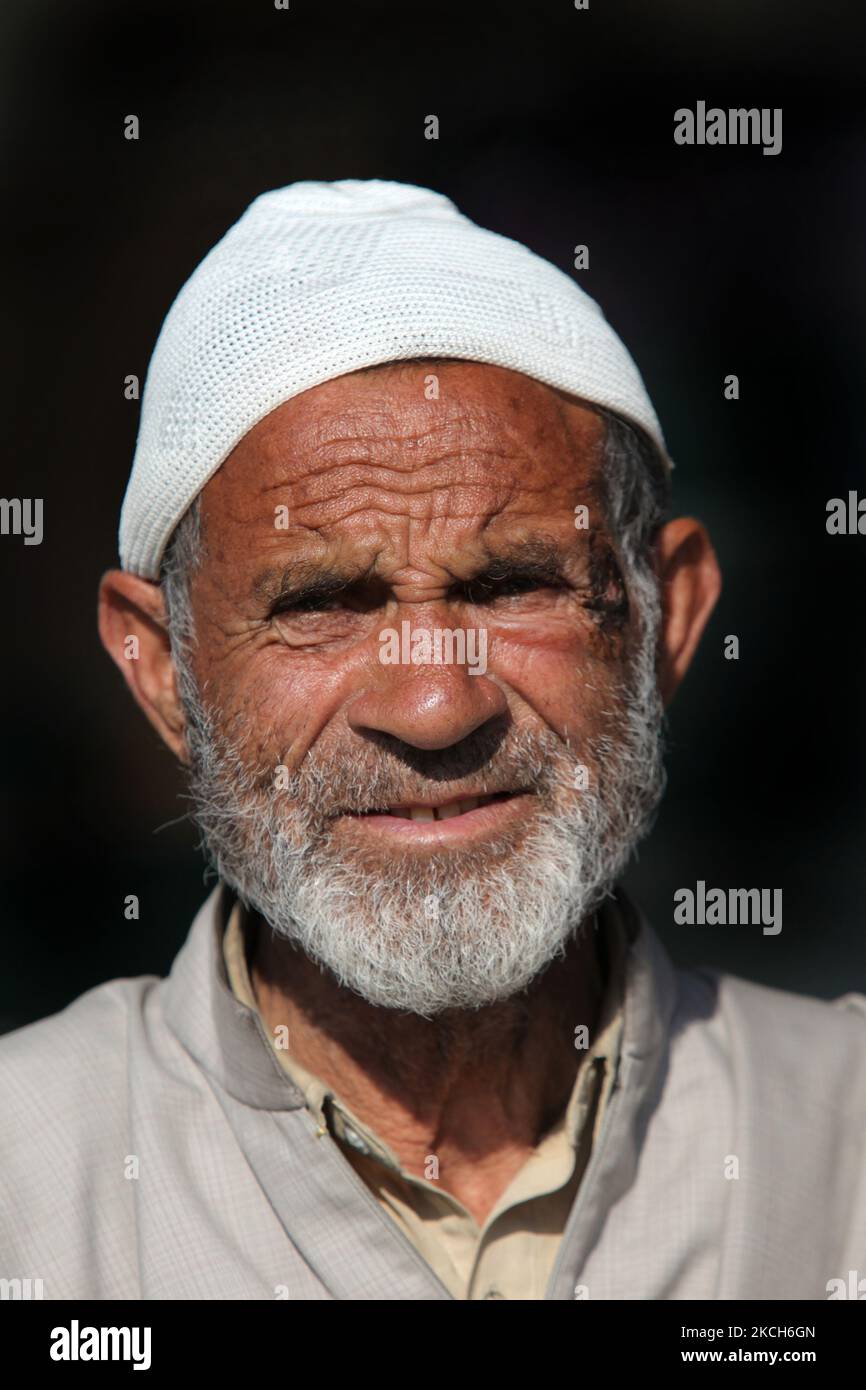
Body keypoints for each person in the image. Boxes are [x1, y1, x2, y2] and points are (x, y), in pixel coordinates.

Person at [1, 180, 863, 1301]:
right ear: (164, 670)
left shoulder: (838, 1147)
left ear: (665, 617)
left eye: (512, 587)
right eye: (323, 604)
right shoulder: (27, 1193)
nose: (434, 709)